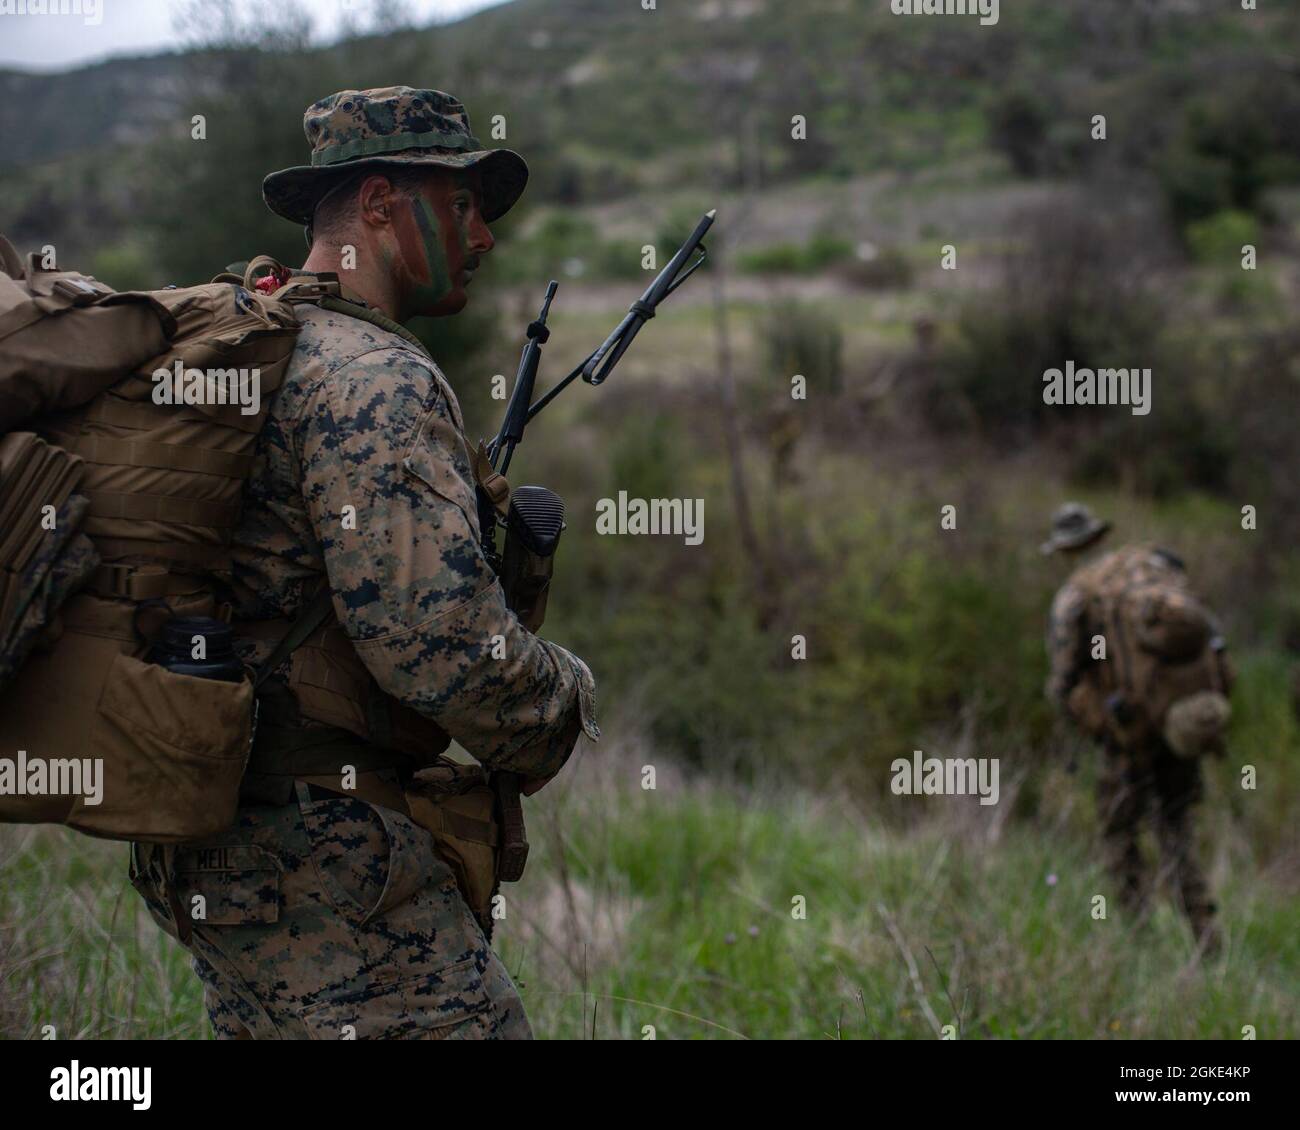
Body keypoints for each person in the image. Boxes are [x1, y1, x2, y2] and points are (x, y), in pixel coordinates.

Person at [130, 86, 598, 1039]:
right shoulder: (375, 379)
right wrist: (564, 702)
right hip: (328, 863)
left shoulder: (258, 334)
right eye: (463, 204)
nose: (484, 237)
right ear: (381, 204)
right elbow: (437, 647)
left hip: (222, 842)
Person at [1043, 502, 1226, 954]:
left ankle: (1138, 943)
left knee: (1120, 836)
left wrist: (1081, 720)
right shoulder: (1156, 568)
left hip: (1126, 735)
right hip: (1177, 722)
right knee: (1177, 830)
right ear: (1100, 537)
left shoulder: (1075, 595)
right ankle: (1206, 938)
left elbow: (1062, 678)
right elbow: (1211, 634)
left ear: (1066, 550)